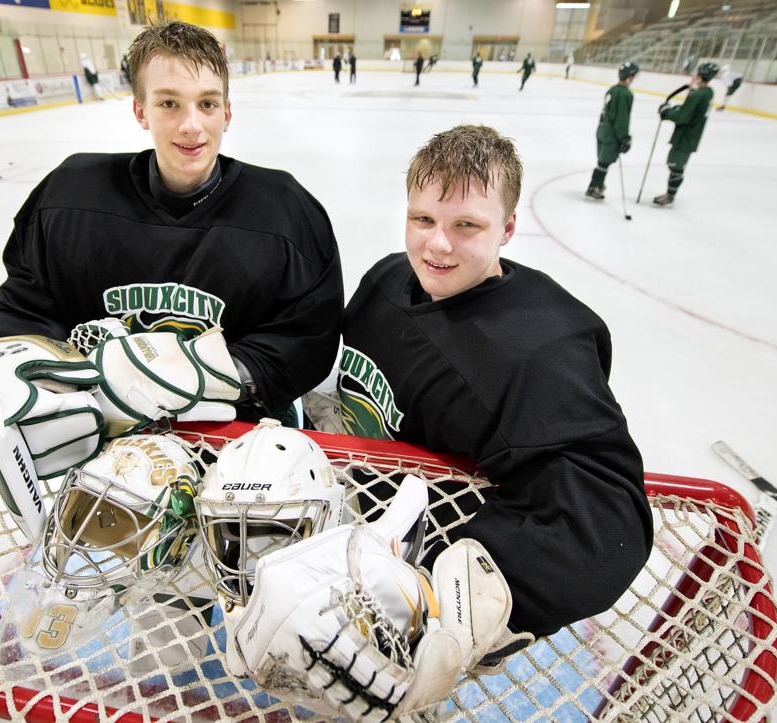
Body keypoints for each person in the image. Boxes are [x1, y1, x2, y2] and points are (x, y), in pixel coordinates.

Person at [232, 124, 652, 719]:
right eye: (423, 220)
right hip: (345, 528)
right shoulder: (385, 280)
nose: (438, 246)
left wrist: (442, 596)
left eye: (467, 226)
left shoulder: (535, 355)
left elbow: (605, 521)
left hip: (403, 589)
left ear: (508, 228)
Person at [0, 20, 344, 424]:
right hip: (106, 433)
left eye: (207, 103)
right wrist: (42, 377)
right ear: (140, 110)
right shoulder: (67, 200)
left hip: (238, 436)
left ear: (227, 112)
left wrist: (216, 376)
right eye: (169, 103)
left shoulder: (286, 212)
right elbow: (25, 310)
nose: (191, 125)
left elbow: (308, 335)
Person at [653, 61, 717, 206]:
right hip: (693, 135)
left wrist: (666, 112)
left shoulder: (697, 95)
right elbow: (690, 110)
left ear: (700, 76)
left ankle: (670, 195)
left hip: (685, 137)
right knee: (676, 164)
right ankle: (671, 193)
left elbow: (683, 117)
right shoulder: (708, 92)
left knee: (675, 165)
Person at [586, 62, 638, 200]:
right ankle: (595, 187)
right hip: (611, 135)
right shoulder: (626, 94)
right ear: (630, 76)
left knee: (602, 161)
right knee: (604, 162)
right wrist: (625, 138)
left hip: (602, 131)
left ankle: (596, 185)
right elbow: (622, 119)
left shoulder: (612, 90)